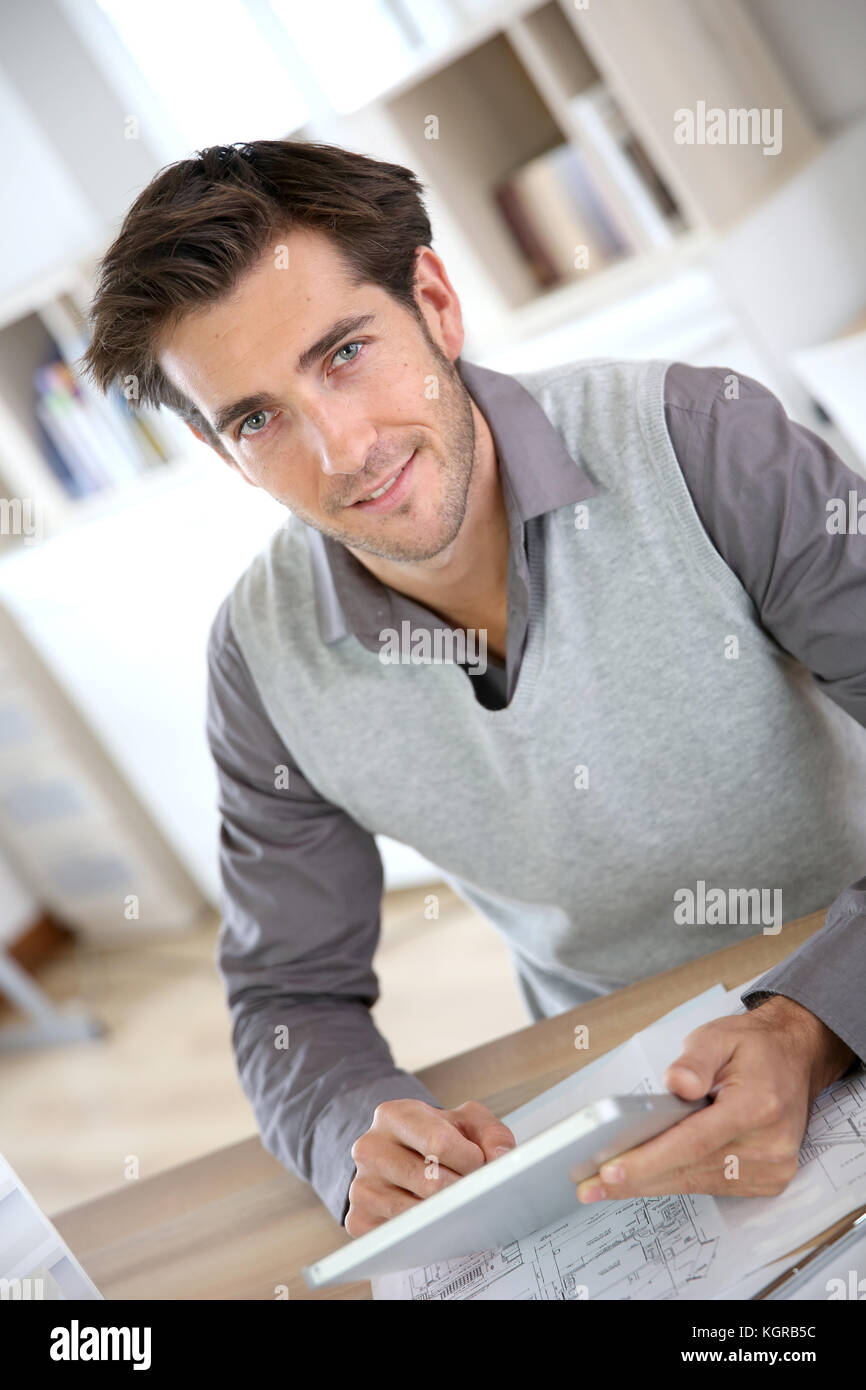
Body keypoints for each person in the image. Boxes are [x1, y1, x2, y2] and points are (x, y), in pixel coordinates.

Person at [82, 140, 865, 1238]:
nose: (341, 448)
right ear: (226, 457)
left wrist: (812, 1019)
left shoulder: (701, 439)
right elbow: (287, 996)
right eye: (256, 419)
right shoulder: (257, 661)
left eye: (345, 352)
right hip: (622, 1083)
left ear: (436, 304)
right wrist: (356, 1131)